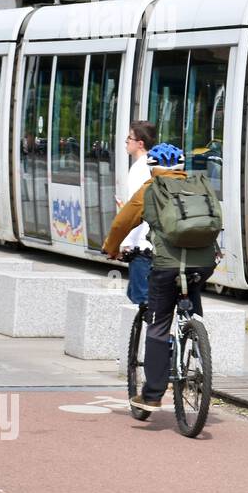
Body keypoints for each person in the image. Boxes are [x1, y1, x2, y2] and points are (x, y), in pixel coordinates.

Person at [101, 143, 217, 412]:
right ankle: (195, 337)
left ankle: (152, 395)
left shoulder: (150, 189)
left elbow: (122, 223)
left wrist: (111, 248)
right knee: (190, 298)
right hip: (203, 265)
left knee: (158, 325)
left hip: (166, 267)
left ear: (152, 168)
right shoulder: (200, 185)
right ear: (182, 166)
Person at [117, 121, 156, 305]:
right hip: (154, 243)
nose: (126, 143)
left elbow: (136, 211)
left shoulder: (138, 169)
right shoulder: (154, 166)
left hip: (141, 245)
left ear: (140, 143)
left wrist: (125, 243)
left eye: (129, 139)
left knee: (140, 300)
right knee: (135, 294)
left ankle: (161, 335)